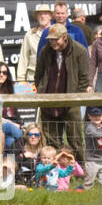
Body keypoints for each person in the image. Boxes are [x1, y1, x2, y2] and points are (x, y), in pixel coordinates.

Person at [34, 24, 90, 160]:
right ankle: (55, 171)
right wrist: (42, 91)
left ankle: (80, 169)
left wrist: (74, 96)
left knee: (75, 138)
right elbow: (38, 74)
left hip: (71, 102)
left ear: (65, 37)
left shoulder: (80, 51)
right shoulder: (45, 51)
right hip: (49, 101)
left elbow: (84, 78)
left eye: (56, 39)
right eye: (51, 39)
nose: (52, 42)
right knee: (51, 139)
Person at [17, 5, 52, 85]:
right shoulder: (30, 35)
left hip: (52, 77)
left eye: (45, 13)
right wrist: (21, 79)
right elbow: (23, 58)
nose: (43, 16)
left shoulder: (57, 33)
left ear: (50, 16)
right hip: (32, 77)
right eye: (40, 14)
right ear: (37, 17)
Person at [15, 123, 44, 188]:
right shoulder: (19, 145)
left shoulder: (44, 150)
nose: (33, 137)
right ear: (27, 136)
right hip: (18, 177)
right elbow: (10, 161)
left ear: (40, 137)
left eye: (36, 135)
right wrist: (23, 156)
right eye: (30, 134)